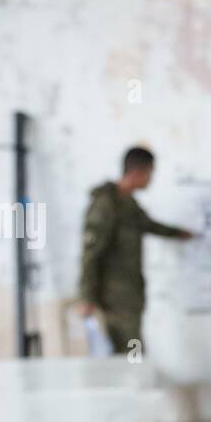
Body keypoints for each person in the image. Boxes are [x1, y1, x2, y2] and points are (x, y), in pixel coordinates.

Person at [77, 146, 193, 354]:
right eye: (150, 173)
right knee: (132, 350)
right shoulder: (106, 204)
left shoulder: (128, 204)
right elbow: (90, 254)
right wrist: (86, 298)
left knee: (130, 348)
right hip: (112, 298)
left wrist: (179, 233)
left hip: (129, 295)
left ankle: (134, 381)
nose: (150, 179)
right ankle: (135, 383)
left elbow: (148, 225)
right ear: (138, 172)